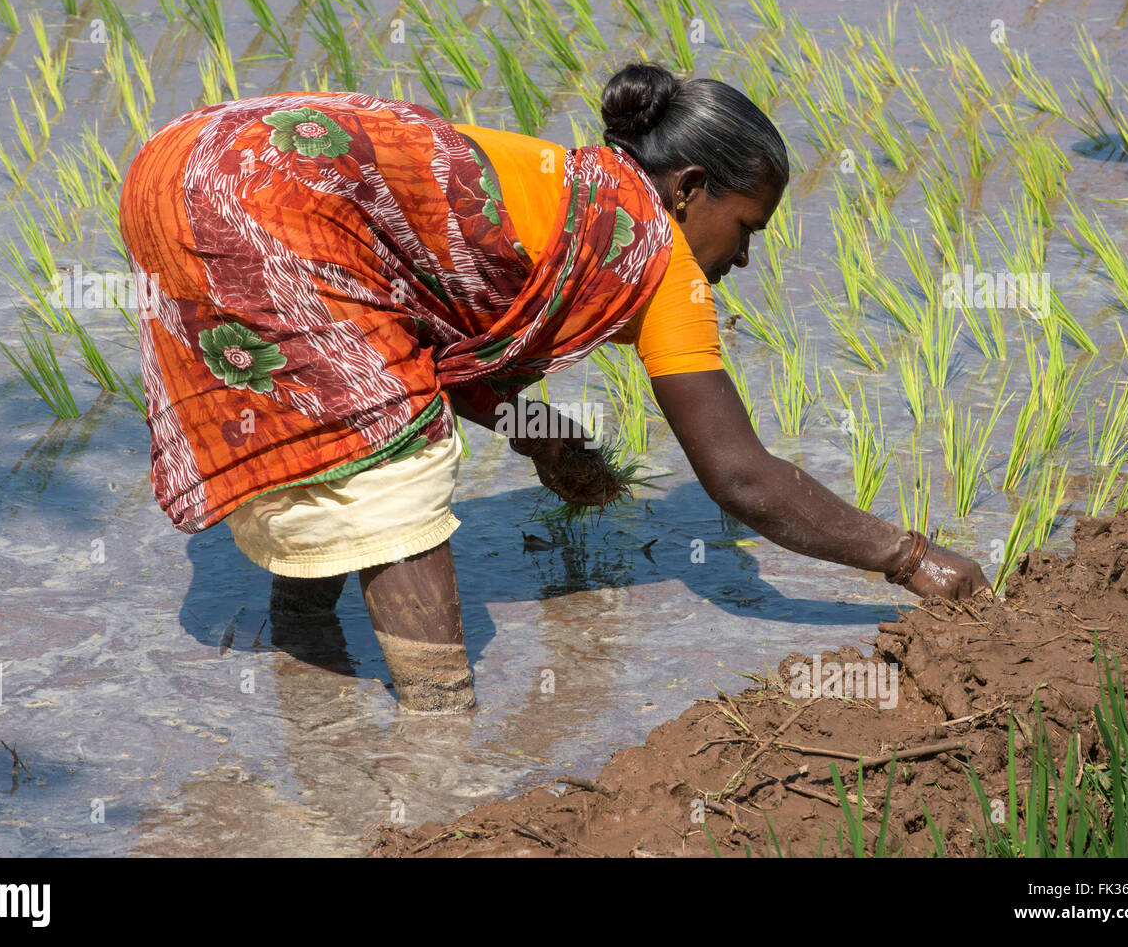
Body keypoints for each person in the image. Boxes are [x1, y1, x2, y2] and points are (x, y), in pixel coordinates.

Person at [119, 62, 992, 715]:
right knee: (396, 464)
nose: (745, 258)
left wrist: (545, 435)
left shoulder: (569, 186)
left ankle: (310, 682)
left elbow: (432, 339)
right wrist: (911, 560)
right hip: (268, 193)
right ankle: (437, 726)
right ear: (690, 191)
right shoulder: (659, 259)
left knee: (339, 435)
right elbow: (741, 477)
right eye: (747, 227)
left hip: (180, 162)